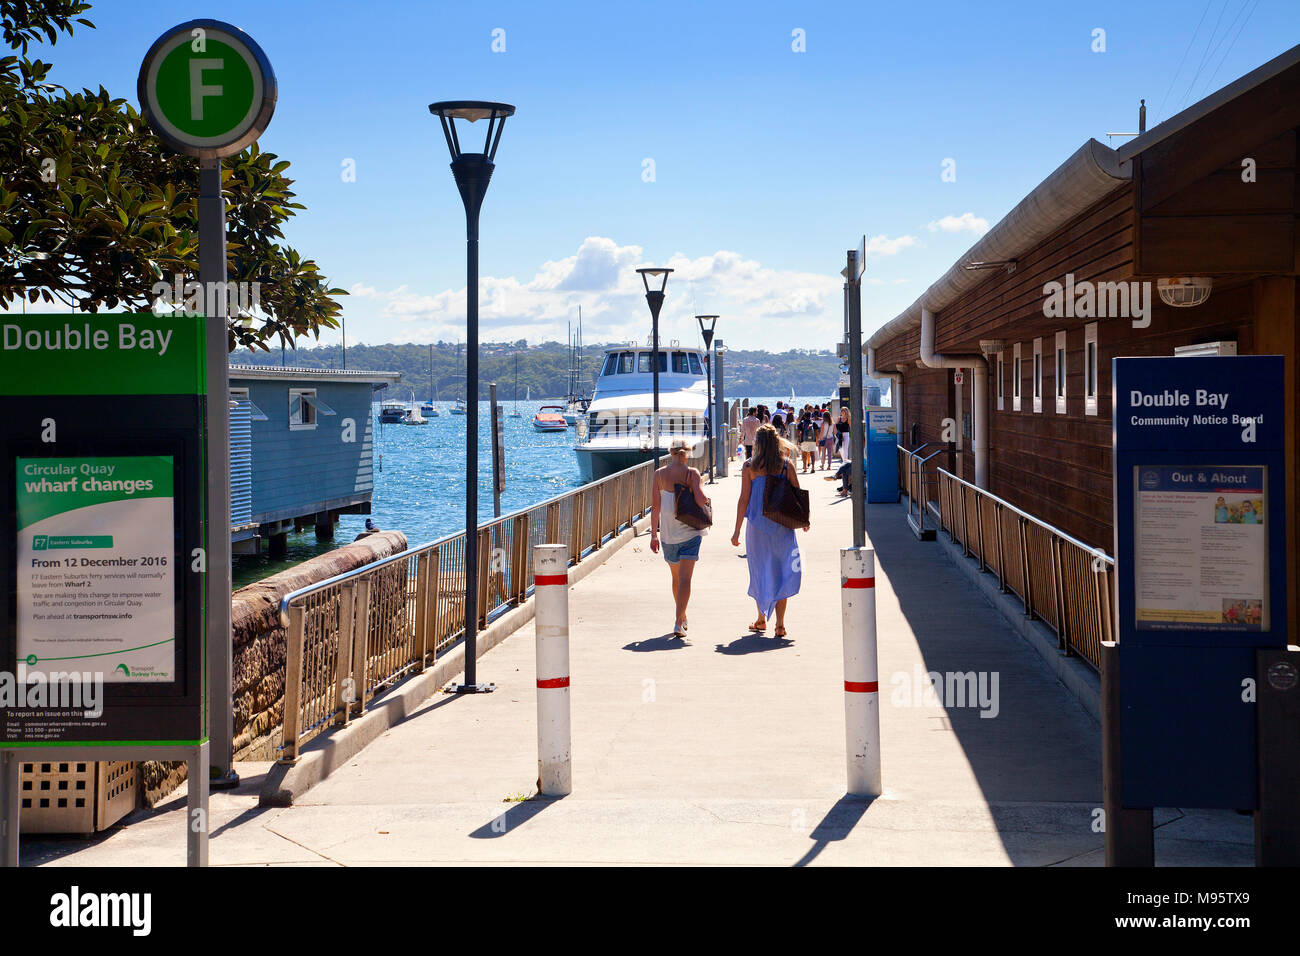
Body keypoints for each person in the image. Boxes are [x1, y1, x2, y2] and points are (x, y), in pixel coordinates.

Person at [731, 424, 805, 638]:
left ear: (758, 444)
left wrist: (736, 530)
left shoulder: (749, 466)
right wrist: (804, 520)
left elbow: (744, 499)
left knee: (759, 569)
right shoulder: (786, 466)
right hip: (782, 525)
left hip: (757, 527)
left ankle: (761, 618)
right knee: (782, 571)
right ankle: (780, 625)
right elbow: (797, 494)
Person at [650, 438, 711, 637]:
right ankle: (679, 620)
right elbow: (701, 500)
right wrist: (705, 497)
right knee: (685, 579)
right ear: (686, 453)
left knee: (676, 578)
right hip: (690, 532)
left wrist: (653, 535)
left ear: (671, 452)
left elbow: (655, 508)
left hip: (667, 534)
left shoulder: (659, 474)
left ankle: (681, 617)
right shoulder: (691, 473)